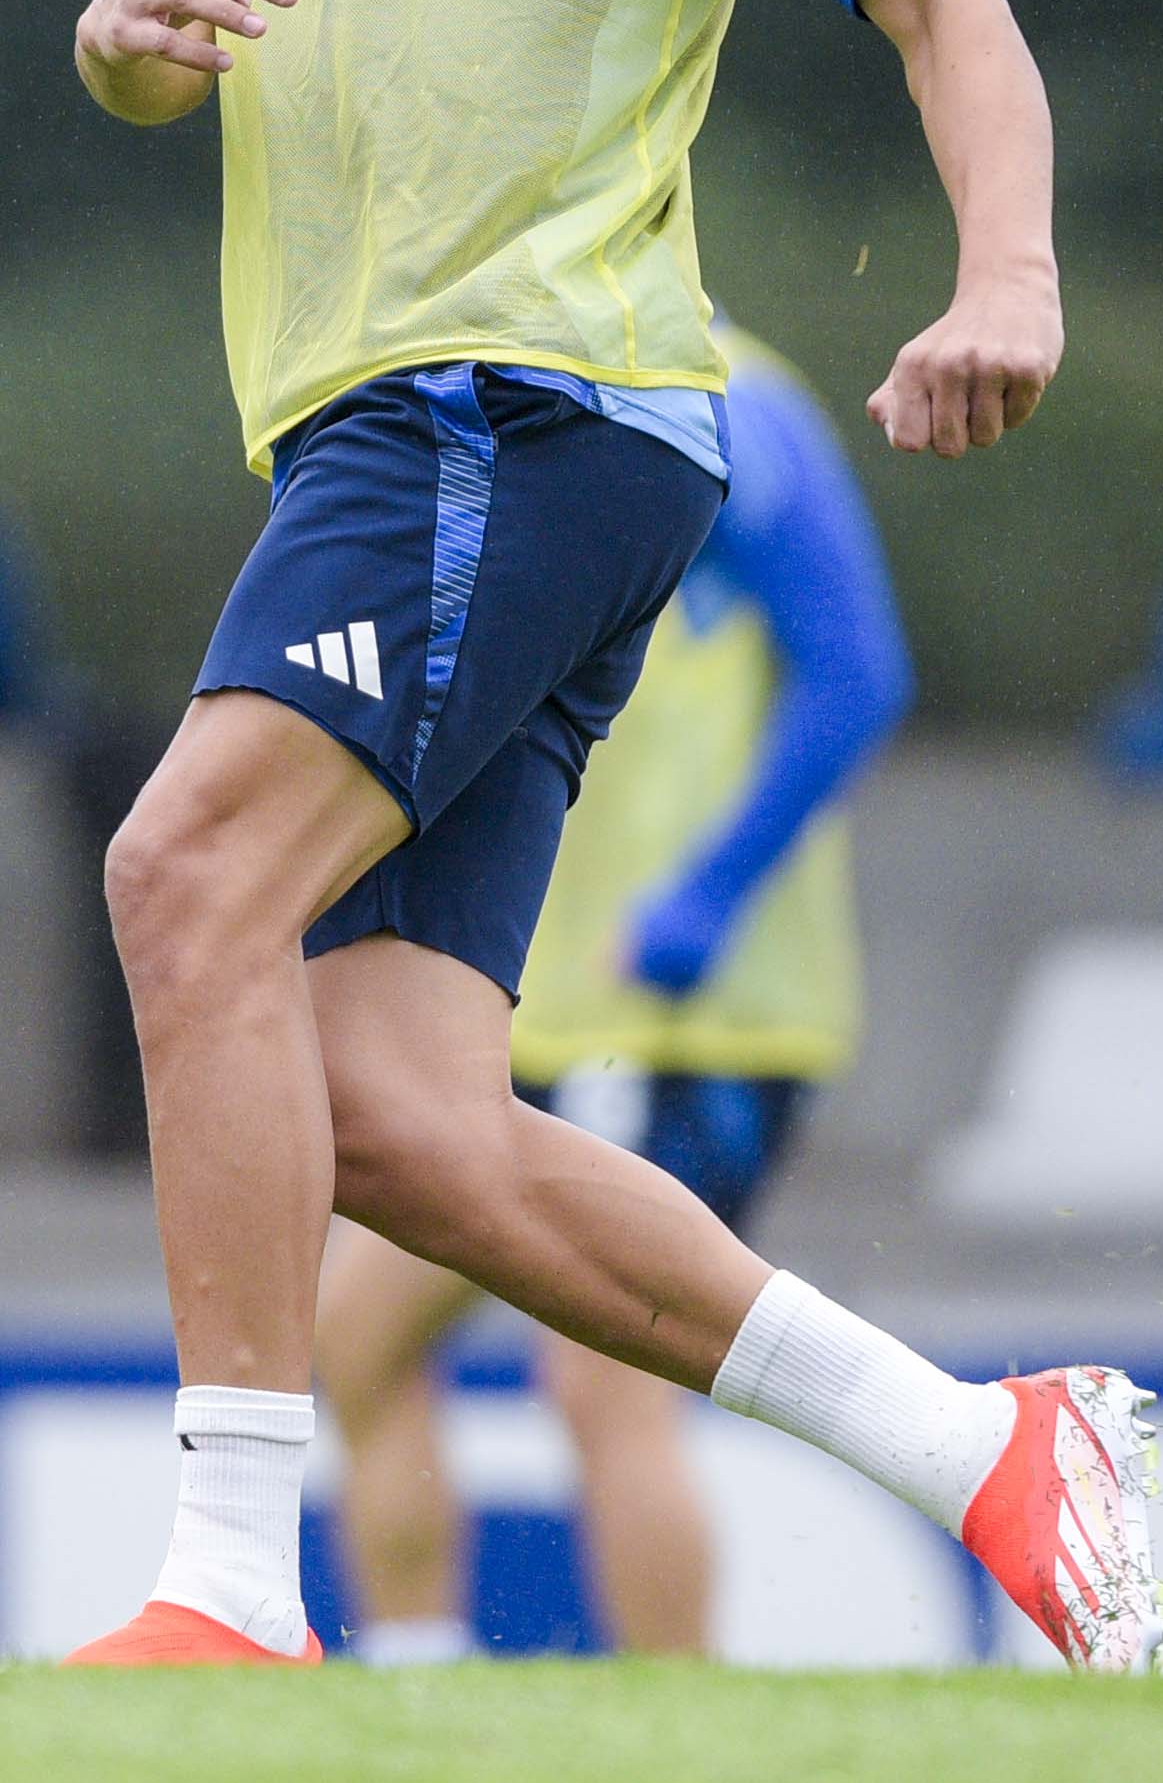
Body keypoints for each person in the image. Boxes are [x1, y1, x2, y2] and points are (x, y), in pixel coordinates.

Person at [62, 0, 1161, 1671]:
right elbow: (157, 46)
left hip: (515, 402)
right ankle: (986, 1450)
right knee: (414, 1124)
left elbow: (942, 0)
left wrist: (1009, 271)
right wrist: (121, 32)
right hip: (376, 425)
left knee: (173, 876)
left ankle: (226, 1590)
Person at [314, 325, 909, 1663]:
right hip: (519, 998)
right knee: (352, 1335)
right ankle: (420, 1706)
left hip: (671, 1013)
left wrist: (705, 895)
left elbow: (855, 671)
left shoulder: (735, 400)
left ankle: (676, 1726)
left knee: (605, 1382)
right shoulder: (467, 372)